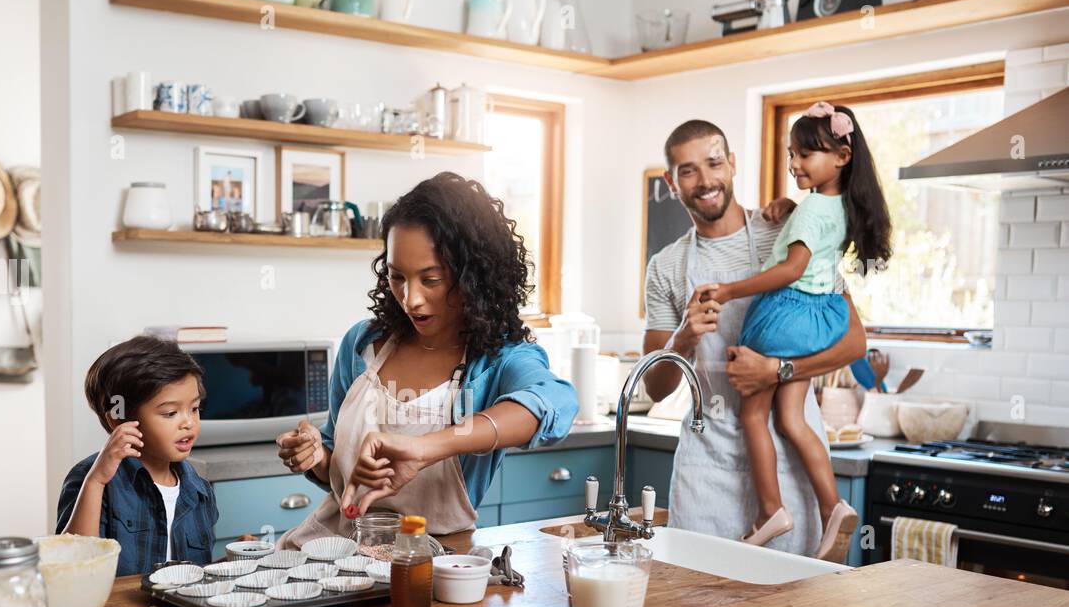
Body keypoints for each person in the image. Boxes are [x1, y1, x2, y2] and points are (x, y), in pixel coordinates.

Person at [274, 172, 578, 546]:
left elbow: (556, 402)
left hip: (430, 562)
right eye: (397, 276)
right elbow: (339, 475)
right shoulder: (362, 345)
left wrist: (426, 448)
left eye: (430, 280)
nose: (410, 298)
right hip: (329, 551)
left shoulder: (499, 360)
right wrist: (315, 455)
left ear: (474, 277)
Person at [643, 119, 868, 560]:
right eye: (688, 171)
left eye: (713, 163)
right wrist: (684, 337)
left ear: (732, 164)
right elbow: (655, 388)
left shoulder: (784, 234)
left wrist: (778, 370)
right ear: (671, 182)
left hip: (791, 466)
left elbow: (854, 344)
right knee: (701, 605)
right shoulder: (666, 266)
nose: (706, 180)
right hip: (706, 473)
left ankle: (778, 509)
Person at [696, 102, 890, 557]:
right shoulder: (838, 206)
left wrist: (729, 290)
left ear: (842, 156)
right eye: (791, 154)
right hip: (818, 317)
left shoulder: (809, 212)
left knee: (751, 416)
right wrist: (790, 209)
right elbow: (813, 242)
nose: (794, 164)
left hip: (784, 312)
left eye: (806, 155)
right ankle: (832, 507)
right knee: (791, 420)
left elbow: (790, 269)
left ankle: (770, 512)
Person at [56, 335, 220, 575]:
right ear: (119, 419)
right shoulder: (92, 479)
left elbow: (197, 574)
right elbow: (71, 567)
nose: (188, 423)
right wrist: (96, 481)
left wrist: (232, 562)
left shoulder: (199, 491)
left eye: (194, 409)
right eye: (170, 413)